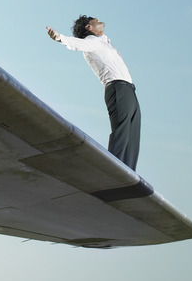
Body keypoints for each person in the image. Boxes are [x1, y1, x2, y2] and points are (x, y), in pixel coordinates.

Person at [46, 16, 141, 170]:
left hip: (129, 89)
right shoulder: (92, 42)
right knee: (122, 132)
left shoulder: (103, 42)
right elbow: (77, 44)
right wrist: (59, 37)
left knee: (132, 136)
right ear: (88, 28)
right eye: (93, 20)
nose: (98, 19)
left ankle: (128, 173)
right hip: (117, 88)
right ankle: (112, 171)